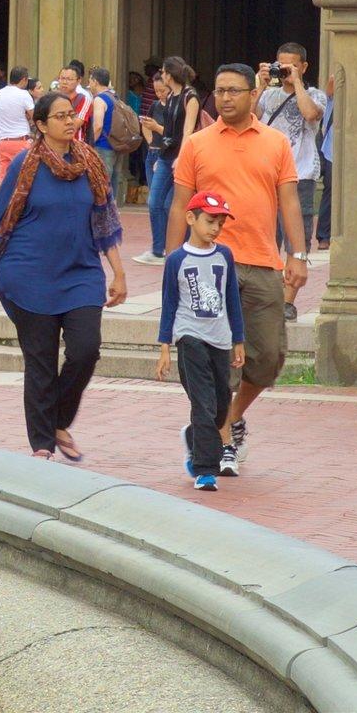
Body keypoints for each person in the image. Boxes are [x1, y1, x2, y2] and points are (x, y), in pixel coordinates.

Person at [0, 92, 128, 460]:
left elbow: (104, 222)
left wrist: (118, 272)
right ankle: (42, 446)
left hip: (82, 273)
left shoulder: (91, 164)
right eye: (60, 116)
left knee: (86, 350)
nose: (70, 121)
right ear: (40, 125)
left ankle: (57, 419)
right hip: (28, 276)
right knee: (41, 360)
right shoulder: (26, 164)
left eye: (72, 115)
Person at [170, 63, 307, 479]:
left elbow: (290, 202)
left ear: (253, 95)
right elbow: (180, 205)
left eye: (234, 91)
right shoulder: (197, 145)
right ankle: (221, 435)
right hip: (210, 266)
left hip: (263, 263)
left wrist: (298, 254)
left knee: (268, 357)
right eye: (220, 90)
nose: (226, 98)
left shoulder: (276, 143)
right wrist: (174, 260)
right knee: (213, 358)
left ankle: (227, 417)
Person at [156, 191, 244, 490]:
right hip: (189, 336)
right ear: (191, 219)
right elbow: (169, 303)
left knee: (221, 406)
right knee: (203, 403)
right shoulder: (177, 260)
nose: (215, 228)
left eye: (220, 223)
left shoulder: (224, 256)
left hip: (220, 339)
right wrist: (165, 346)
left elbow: (231, 297)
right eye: (210, 221)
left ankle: (195, 437)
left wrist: (238, 339)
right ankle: (205, 469)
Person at [255, 43, 328, 274]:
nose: (286, 70)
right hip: (267, 176)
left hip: (301, 176)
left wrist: (296, 82)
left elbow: (310, 114)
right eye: (282, 65)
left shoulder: (315, 95)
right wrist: (259, 84)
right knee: (265, 239)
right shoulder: (267, 96)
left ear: (304, 67)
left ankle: (288, 300)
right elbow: (247, 118)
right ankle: (271, 292)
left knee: (298, 245)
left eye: (292, 66)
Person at [135, 57, 198, 264]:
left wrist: (182, 157)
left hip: (181, 157)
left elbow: (188, 130)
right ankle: (158, 249)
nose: (161, 76)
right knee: (155, 202)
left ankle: (183, 248)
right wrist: (159, 152)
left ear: (170, 74)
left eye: (163, 72)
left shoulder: (190, 96)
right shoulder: (171, 97)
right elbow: (169, 132)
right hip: (165, 155)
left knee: (175, 204)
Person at [0, 64, 34, 181]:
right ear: (24, 79)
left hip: (3, 142)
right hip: (21, 142)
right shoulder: (24, 94)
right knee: (23, 179)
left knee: (3, 178)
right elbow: (35, 117)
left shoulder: (0, 93)